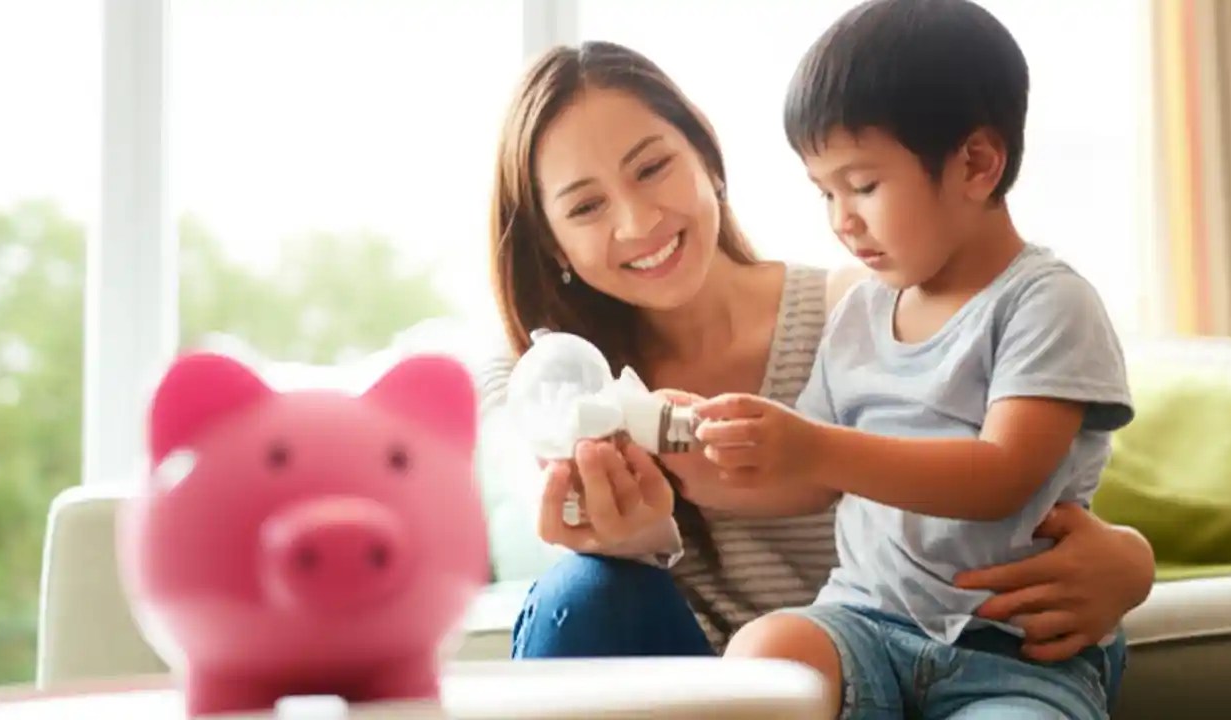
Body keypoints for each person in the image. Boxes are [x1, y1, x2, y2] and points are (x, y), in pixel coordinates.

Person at [481, 37, 1153, 706]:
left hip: (959, 651)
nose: (637, 220)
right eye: (586, 207)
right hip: (775, 668)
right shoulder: (548, 384)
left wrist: (1131, 562)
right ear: (551, 241)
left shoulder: (866, 306)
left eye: (652, 168)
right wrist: (647, 520)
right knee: (588, 591)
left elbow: (1023, 486)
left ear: (708, 156)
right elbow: (793, 479)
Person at [690, 1, 1135, 718]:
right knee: (764, 654)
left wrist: (812, 449)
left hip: (1013, 659)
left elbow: (1003, 477)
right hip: (862, 626)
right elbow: (802, 484)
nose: (842, 219)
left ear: (976, 163)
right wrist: (694, 458)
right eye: (824, 192)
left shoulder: (1046, 304)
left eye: (862, 185)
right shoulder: (862, 312)